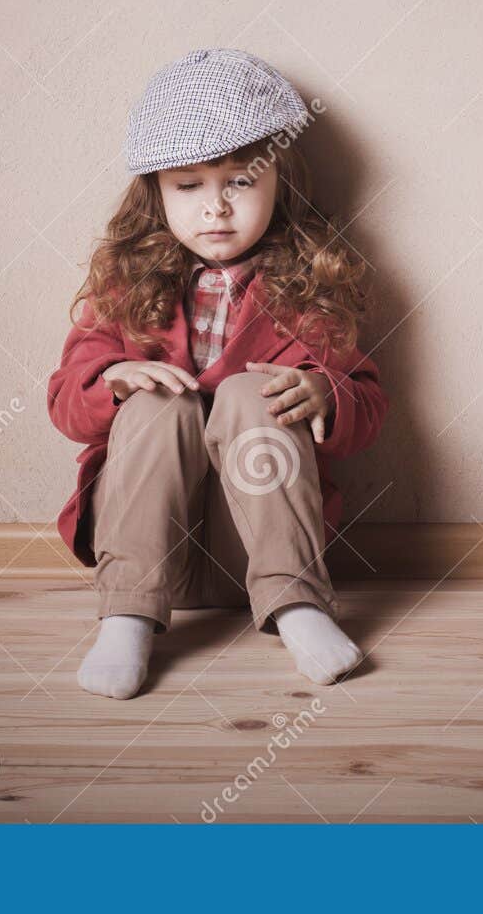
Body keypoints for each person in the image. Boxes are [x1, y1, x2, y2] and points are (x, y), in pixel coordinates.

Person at [46, 48, 388, 699]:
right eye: (189, 185)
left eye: (239, 180)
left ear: (278, 179)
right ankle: (123, 621)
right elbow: (65, 400)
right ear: (155, 192)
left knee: (248, 390)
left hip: (258, 546)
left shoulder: (308, 283)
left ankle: (300, 608)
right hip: (147, 548)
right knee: (156, 401)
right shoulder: (124, 282)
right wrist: (115, 378)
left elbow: (369, 404)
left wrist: (323, 392)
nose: (216, 208)